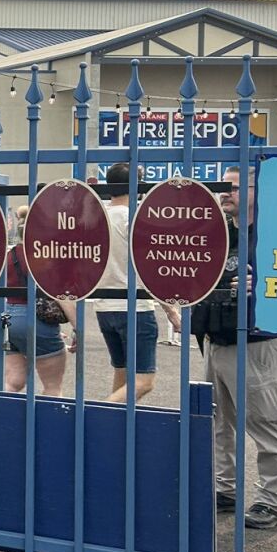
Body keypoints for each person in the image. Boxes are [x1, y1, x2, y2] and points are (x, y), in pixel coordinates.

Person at [192, 166, 277, 530]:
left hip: (259, 342)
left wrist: (262, 282)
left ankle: (272, 499)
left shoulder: (275, 233)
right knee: (218, 424)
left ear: (255, 191)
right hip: (217, 341)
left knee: (267, 424)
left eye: (233, 187)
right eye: (223, 187)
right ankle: (226, 489)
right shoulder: (221, 234)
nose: (225, 193)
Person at [94, 163, 182, 403]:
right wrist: (171, 311)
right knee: (144, 381)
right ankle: (95, 418)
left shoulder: (97, 217)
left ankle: (112, 428)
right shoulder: (135, 218)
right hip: (135, 307)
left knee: (121, 373)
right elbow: (149, 267)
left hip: (104, 305)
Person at [3, 210, 75, 396]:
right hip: (36, 320)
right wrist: (78, 327)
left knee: (14, 382)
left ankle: (1, 420)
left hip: (8, 320)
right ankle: (46, 424)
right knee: (52, 386)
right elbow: (62, 296)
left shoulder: (10, 256)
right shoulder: (46, 257)